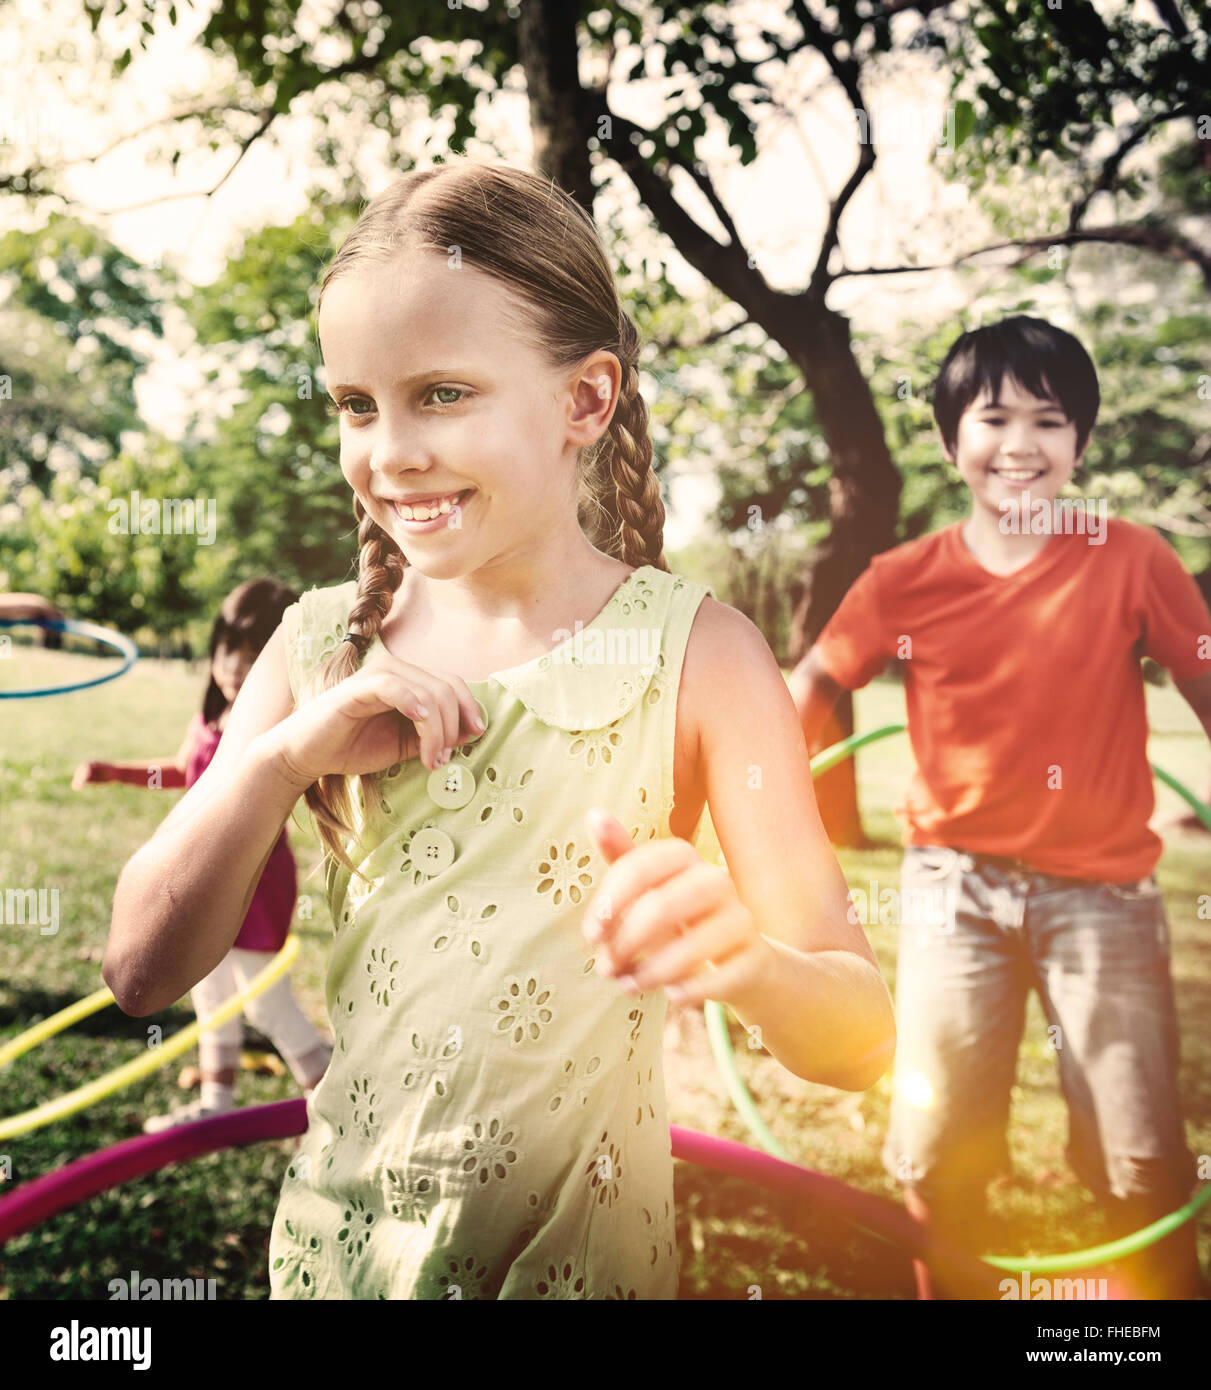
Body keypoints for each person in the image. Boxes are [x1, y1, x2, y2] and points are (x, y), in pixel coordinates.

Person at [101, 156, 895, 1300]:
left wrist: (751, 963)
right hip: (341, 1267)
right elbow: (138, 968)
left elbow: (856, 1034)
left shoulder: (704, 657)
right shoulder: (321, 644)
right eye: (355, 406)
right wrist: (274, 762)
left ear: (584, 399)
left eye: (441, 395)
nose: (389, 452)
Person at [789, 315, 1211, 1300]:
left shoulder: (1131, 560)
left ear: (1079, 441)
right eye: (991, 417)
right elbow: (805, 690)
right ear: (948, 441)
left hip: (1101, 897)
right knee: (937, 1149)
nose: (1019, 443)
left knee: (1139, 1158)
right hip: (952, 894)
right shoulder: (903, 580)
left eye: (1047, 419)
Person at [77, 578, 333, 1130]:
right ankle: (217, 1102)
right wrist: (111, 772)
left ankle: (333, 1095)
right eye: (226, 652)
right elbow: (181, 771)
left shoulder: (276, 727)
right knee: (209, 991)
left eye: (250, 655)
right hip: (202, 870)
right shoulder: (211, 723)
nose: (234, 668)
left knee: (264, 999)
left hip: (255, 879)